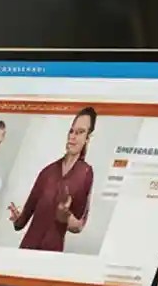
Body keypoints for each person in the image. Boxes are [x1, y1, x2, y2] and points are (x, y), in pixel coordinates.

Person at [7, 107, 97, 252]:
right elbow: (21, 222)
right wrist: (17, 218)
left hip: (50, 256)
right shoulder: (47, 172)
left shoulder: (85, 173)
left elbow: (79, 225)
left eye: (80, 132)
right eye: (71, 131)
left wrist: (65, 215)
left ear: (87, 138)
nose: (73, 136)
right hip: (26, 251)